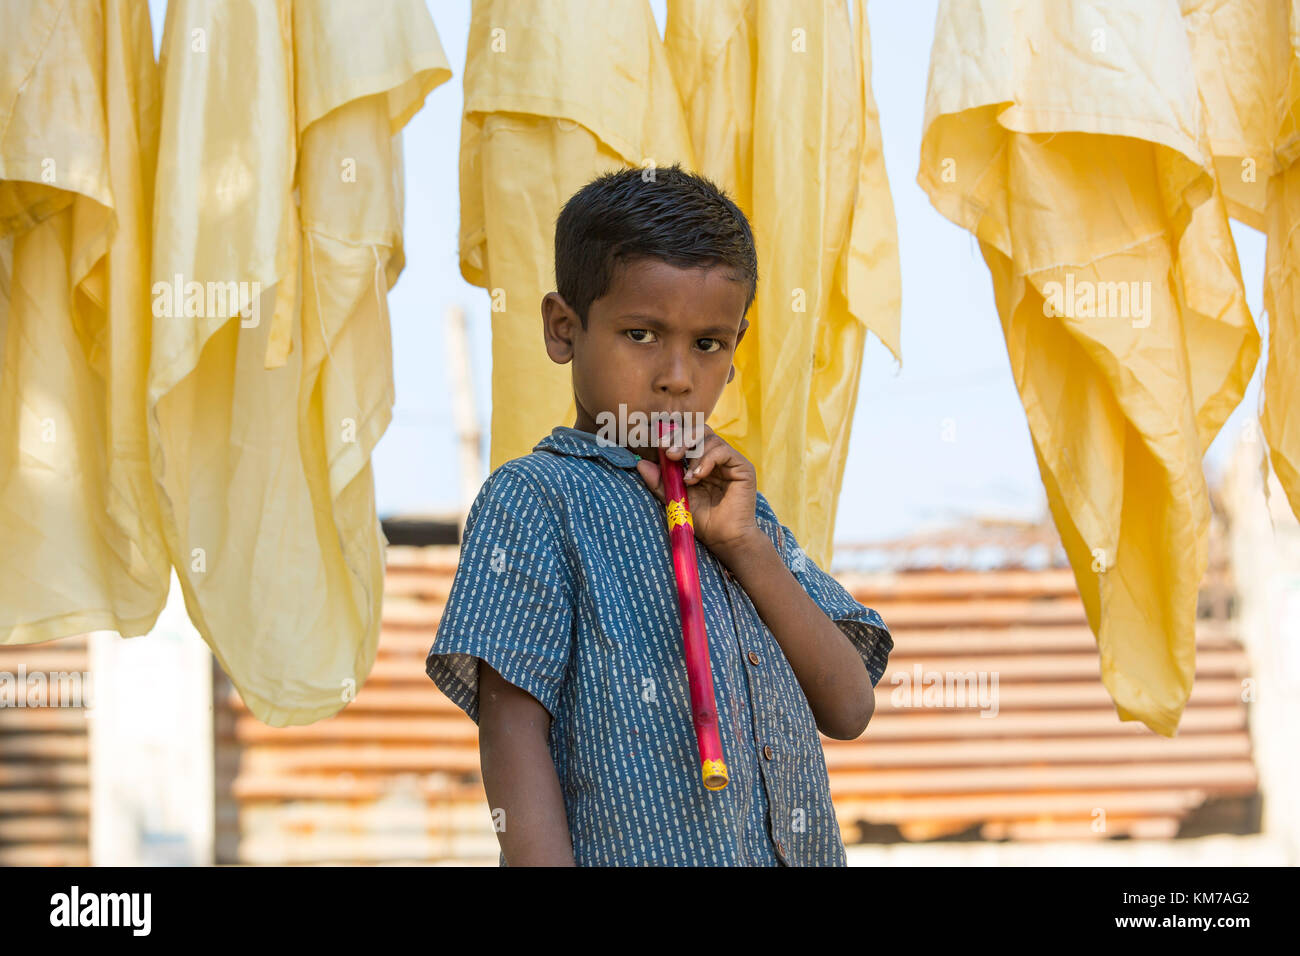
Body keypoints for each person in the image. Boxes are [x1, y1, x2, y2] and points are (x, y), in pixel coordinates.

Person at [424, 163, 893, 866]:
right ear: (564, 330)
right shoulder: (538, 499)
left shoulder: (739, 510)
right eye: (641, 334)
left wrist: (744, 545)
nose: (677, 374)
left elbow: (850, 708)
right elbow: (511, 731)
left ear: (733, 355)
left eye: (708, 344)